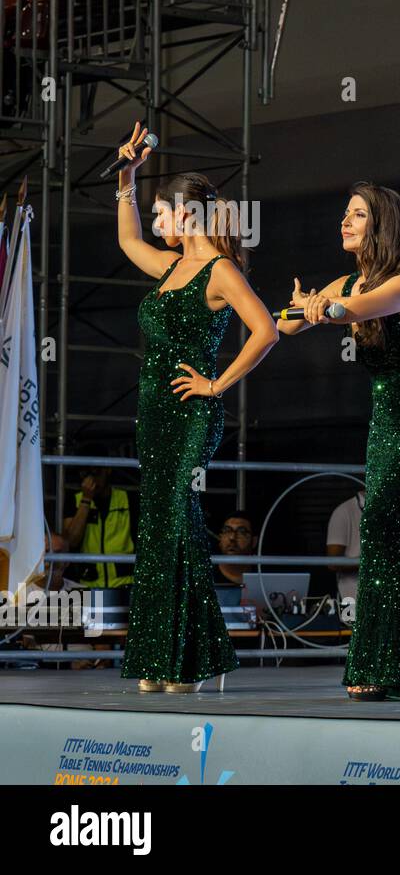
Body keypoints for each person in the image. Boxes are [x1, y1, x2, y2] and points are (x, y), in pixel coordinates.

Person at [278, 182, 400, 701]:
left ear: (380, 226)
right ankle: (397, 670)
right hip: (386, 426)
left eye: (357, 215)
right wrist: (301, 307)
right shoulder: (351, 281)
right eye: (345, 213)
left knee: (381, 527)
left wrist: (327, 307)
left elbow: (351, 312)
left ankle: (384, 666)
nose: (345, 222)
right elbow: (289, 326)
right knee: (393, 538)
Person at [112, 121, 279, 693]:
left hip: (191, 412)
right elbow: (128, 241)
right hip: (154, 412)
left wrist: (216, 384)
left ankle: (184, 658)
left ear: (188, 216)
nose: (157, 224)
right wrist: (127, 179)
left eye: (162, 213)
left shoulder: (219, 271)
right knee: (158, 528)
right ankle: (164, 658)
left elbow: (265, 331)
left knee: (177, 523)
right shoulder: (169, 267)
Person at [61, 461, 136, 589]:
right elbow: (71, 541)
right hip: (86, 585)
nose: (91, 480)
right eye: (86, 474)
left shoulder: (129, 499)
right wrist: (86, 500)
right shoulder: (75, 500)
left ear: (108, 470)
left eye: (96, 472)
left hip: (125, 584)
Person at [325, 490, 364, 604]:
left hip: (389, 599)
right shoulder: (344, 511)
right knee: (350, 621)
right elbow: (333, 563)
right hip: (351, 598)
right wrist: (371, 564)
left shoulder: (395, 511)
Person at [214, 510, 257, 585]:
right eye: (227, 531)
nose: (232, 537)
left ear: (254, 541)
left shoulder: (263, 576)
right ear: (220, 539)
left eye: (242, 532)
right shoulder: (204, 577)